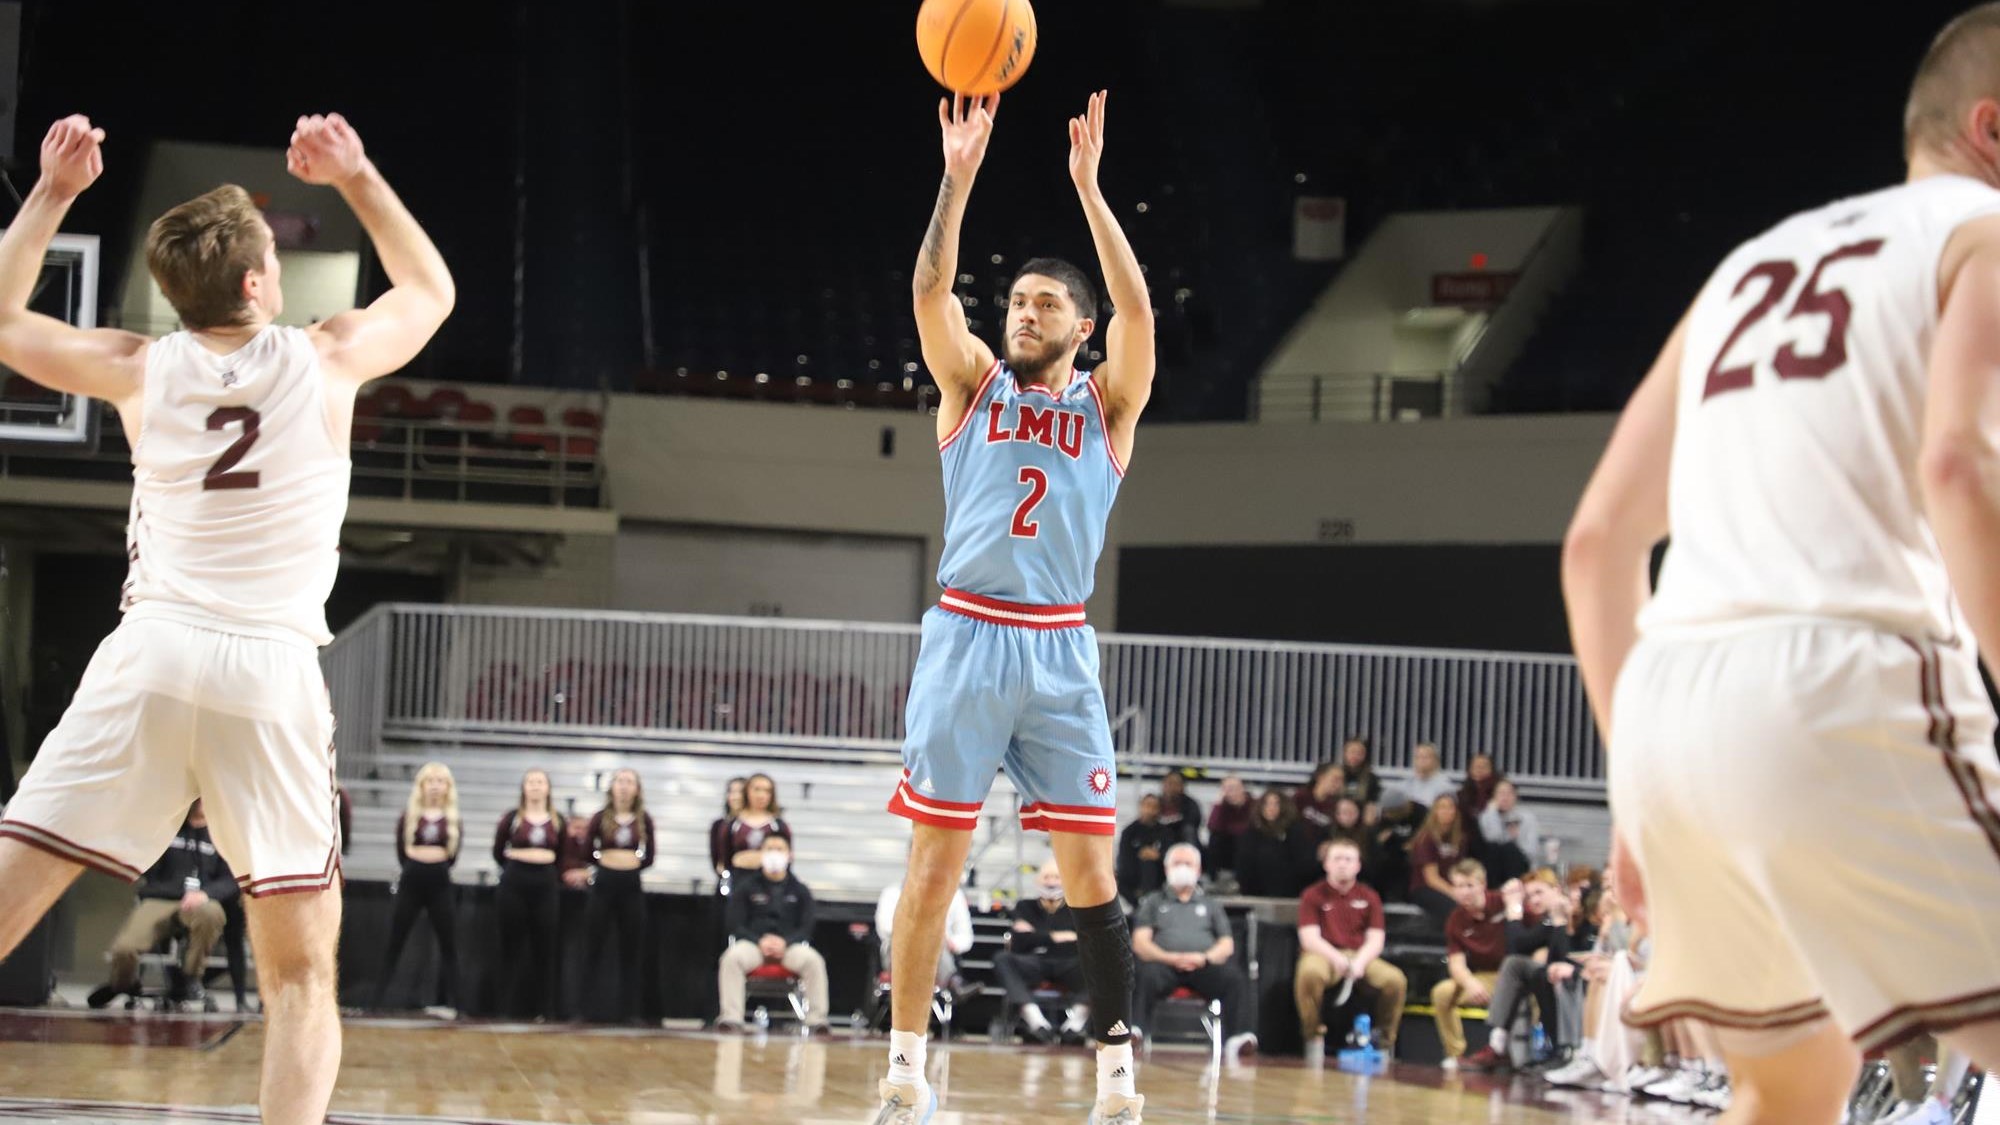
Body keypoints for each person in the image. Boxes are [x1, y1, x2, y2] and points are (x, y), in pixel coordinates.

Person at [1562, 9, 2000, 1118]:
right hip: (1843, 681)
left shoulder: (1747, 266)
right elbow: (1955, 469)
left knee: (1790, 1080)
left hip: (1670, 716)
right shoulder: (1983, 236)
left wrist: (1634, 792)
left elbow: (1598, 541)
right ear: (1990, 131)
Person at [0, 112, 452, 1125]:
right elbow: (430, 290)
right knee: (299, 977)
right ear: (255, 283)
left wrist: (54, 193)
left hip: (151, 654)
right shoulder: (327, 356)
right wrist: (357, 173)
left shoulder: (135, 364)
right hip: (268, 670)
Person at [878, 88, 1155, 1125]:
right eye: (1018, 301)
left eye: (1045, 304)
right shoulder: (972, 386)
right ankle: (905, 1067)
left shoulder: (1108, 404)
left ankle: (1115, 1073)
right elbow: (927, 289)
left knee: (1090, 869)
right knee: (934, 862)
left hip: (1057, 649)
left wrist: (1089, 190)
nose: (1023, 312)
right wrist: (958, 174)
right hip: (965, 634)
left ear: (1079, 328)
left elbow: (1139, 313)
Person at [87, 801, 235, 1011]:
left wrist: (206, 894)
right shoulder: (167, 828)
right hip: (160, 898)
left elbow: (231, 879)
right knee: (124, 948)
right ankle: (122, 984)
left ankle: (190, 978)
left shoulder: (222, 835)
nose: (201, 802)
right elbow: (142, 862)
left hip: (199, 901)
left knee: (212, 913)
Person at [1130, 845, 1256, 1059]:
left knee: (1234, 978)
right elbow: (1140, 942)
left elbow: (1226, 944)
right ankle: (1135, 1031)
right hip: (1163, 965)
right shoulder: (1153, 901)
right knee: (1142, 975)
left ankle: (1239, 1037)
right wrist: (1170, 958)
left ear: (1198, 870)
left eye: (1188, 864)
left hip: (1202, 966)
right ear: (1166, 868)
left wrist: (1203, 958)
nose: (1182, 868)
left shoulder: (1211, 905)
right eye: (1177, 864)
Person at [1294, 838, 1408, 1061]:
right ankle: (1313, 1034)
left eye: (1348, 859)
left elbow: (1376, 939)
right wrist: (1337, 959)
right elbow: (1309, 938)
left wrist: (1359, 962)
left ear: (1358, 865)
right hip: (1323, 953)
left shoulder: (1369, 896)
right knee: (1309, 973)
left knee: (1395, 980)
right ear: (1326, 864)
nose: (1342, 864)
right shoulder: (1312, 895)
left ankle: (1384, 1040)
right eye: (1337, 859)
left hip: (1359, 954)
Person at [715, 836, 829, 1034]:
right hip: (754, 945)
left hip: (788, 948)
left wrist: (786, 942)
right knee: (731, 959)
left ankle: (817, 1020)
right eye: (770, 848)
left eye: (780, 849)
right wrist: (759, 941)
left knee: (814, 961)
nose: (775, 853)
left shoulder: (800, 890)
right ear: (761, 853)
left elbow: (807, 926)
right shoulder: (746, 888)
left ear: (790, 855)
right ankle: (731, 1018)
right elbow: (734, 924)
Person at [374, 763, 461, 1017]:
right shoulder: (409, 816)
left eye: (440, 781)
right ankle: (376, 1002)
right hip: (412, 878)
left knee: (449, 944)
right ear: (421, 786)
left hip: (440, 880)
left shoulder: (453, 819)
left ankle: (458, 1005)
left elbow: (453, 856)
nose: (435, 785)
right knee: (395, 940)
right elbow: (401, 852)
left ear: (448, 787)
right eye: (430, 780)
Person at [583, 768, 654, 1023]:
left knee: (631, 948)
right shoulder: (600, 817)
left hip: (631, 884)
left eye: (629, 782)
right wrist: (606, 861)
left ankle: (630, 1011)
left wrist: (630, 864)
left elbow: (650, 856)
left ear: (637, 789)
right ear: (612, 787)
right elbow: (587, 850)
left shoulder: (643, 819)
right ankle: (588, 1009)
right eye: (620, 781)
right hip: (604, 883)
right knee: (594, 945)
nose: (624, 787)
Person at [492, 769, 565, 1020]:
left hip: (545, 884)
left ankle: (546, 1010)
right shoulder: (511, 818)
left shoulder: (558, 820)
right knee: (511, 946)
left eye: (540, 782)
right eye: (531, 782)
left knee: (545, 949)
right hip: (514, 882)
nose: (535, 786)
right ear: (523, 788)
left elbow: (563, 853)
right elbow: (498, 851)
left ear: (548, 788)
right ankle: (505, 1008)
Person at [994, 860, 1088, 1044]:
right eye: (1047, 877)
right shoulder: (1024, 907)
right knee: (1002, 958)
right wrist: (1056, 937)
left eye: (1056, 877)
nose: (1051, 882)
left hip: (1069, 964)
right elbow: (1020, 942)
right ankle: (1036, 1022)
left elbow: (1081, 941)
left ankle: (1075, 1025)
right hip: (1035, 963)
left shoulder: (1076, 909)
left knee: (1099, 964)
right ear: (1038, 881)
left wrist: (1036, 935)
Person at [875, 858, 973, 998]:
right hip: (899, 951)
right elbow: (885, 928)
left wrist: (950, 941)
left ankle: (952, 981)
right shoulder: (892, 893)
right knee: (925, 938)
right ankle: (954, 982)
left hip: (939, 951)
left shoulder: (955, 895)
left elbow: (965, 937)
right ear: (909, 859)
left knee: (934, 940)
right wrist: (917, 932)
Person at [1235, 788, 1316, 898]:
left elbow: (1304, 865)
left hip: (1290, 894)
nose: (1271, 808)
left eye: (1276, 804)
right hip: (1257, 895)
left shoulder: (1296, 832)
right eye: (1267, 804)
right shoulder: (1251, 833)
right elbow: (1244, 866)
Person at [1406, 794, 1469, 925]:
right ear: (1434, 811)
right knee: (1455, 909)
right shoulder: (1425, 839)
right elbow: (1432, 879)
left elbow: (1461, 870)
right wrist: (1455, 894)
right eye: (1442, 807)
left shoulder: (1460, 838)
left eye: (1450, 807)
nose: (1447, 811)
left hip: (1450, 885)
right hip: (1424, 888)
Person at [1116, 794, 1176, 904]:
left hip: (1158, 878)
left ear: (1159, 809)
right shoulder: (1129, 832)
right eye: (1147, 805)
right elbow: (1124, 859)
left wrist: (1158, 856)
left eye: (1154, 807)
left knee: (1149, 864)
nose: (1150, 810)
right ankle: (1140, 904)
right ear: (1141, 807)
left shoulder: (1166, 833)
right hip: (1132, 878)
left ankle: (1147, 900)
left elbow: (1171, 857)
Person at [725, 773, 792, 872]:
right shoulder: (733, 824)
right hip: (739, 882)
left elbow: (785, 859)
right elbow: (726, 860)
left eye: (767, 791)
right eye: (757, 789)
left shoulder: (778, 825)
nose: (761, 795)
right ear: (747, 791)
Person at [1203, 776, 1253, 877]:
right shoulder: (1221, 806)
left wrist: (1232, 828)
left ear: (1242, 788)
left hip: (1248, 843)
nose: (1232, 792)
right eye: (1227, 789)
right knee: (1214, 839)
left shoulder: (1253, 804)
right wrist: (1219, 805)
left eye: (1234, 788)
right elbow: (1212, 826)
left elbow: (1252, 827)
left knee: (1243, 838)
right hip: (1227, 844)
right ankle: (1213, 878)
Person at [708, 776, 747, 880]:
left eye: (741, 792)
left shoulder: (755, 826)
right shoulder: (719, 825)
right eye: (731, 792)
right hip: (728, 881)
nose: (736, 797)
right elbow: (717, 862)